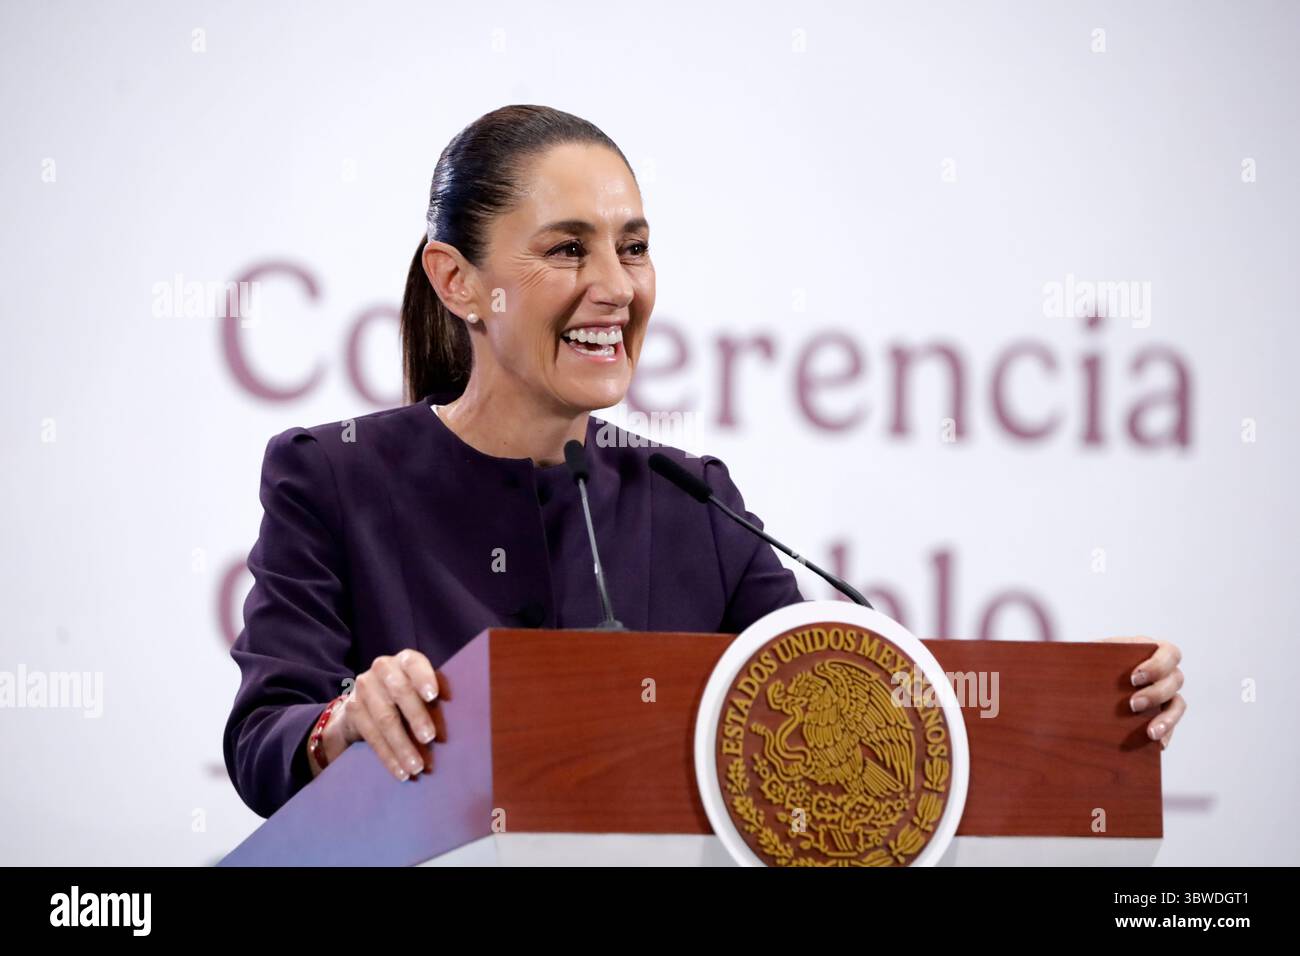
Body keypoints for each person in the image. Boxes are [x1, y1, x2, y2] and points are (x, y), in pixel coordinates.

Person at [223, 105, 1185, 820]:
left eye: (633, 249)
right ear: (457, 281)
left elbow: (851, 720)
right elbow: (264, 741)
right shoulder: (332, 477)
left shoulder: (690, 501)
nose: (615, 287)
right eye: (568, 249)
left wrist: (1090, 720)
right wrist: (346, 720)